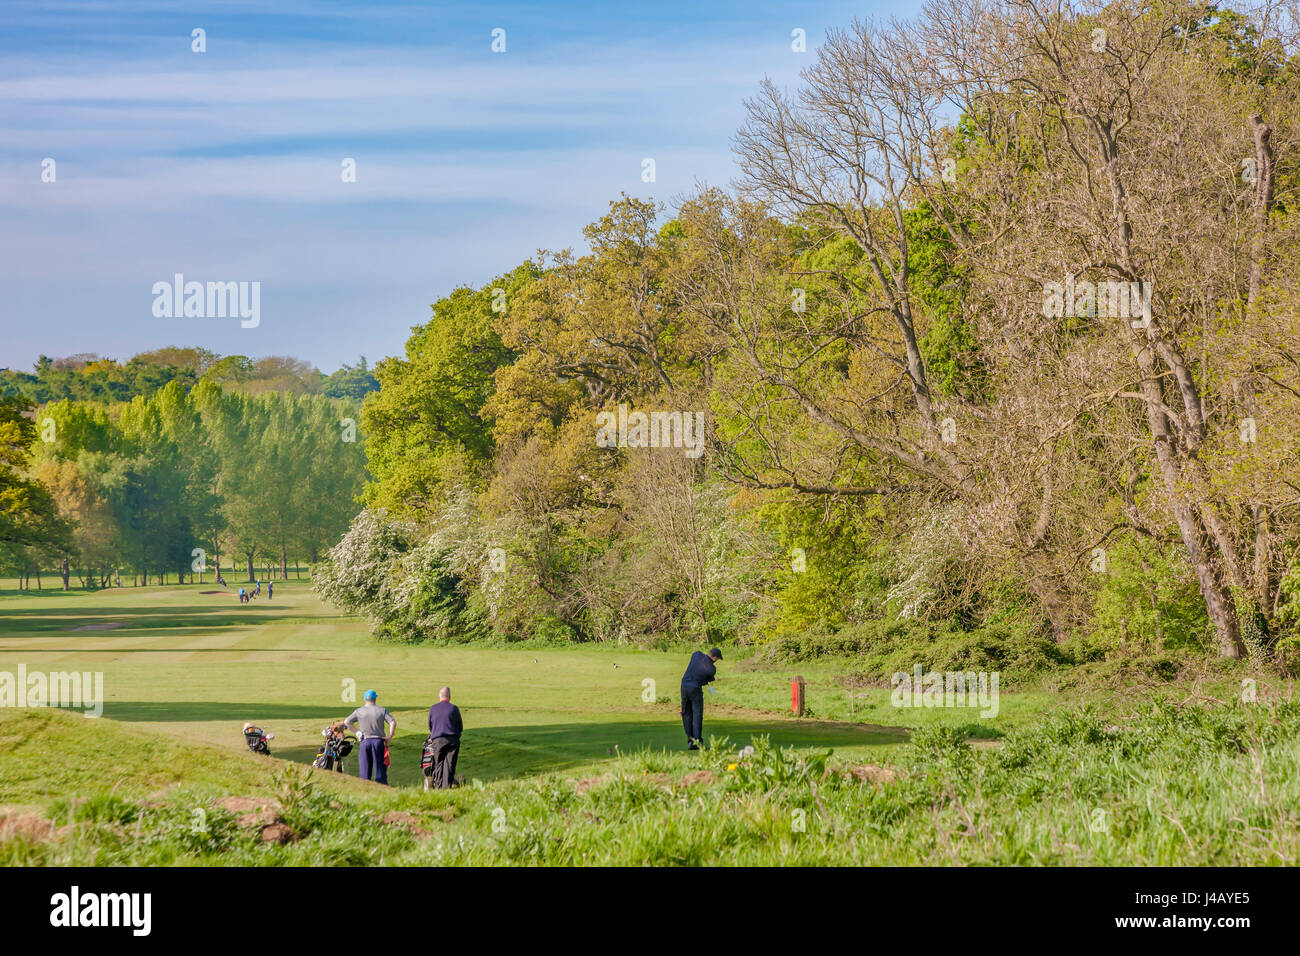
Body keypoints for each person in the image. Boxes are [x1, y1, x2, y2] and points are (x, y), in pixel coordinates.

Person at [344, 689, 397, 784]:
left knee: (365, 771)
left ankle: (365, 790)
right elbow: (392, 722)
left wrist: (357, 733)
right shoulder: (382, 710)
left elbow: (347, 722)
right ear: (375, 699)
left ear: (365, 699)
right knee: (380, 770)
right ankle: (381, 789)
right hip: (378, 742)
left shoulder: (359, 711)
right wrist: (389, 737)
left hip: (364, 741)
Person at [680, 647, 722, 750]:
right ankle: (697, 742)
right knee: (697, 716)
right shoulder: (712, 669)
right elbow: (709, 678)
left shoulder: (696, 654)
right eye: (717, 659)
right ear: (715, 657)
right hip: (695, 689)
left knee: (686, 714)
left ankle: (690, 741)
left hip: (684, 686)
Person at [424, 686, 463, 789]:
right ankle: (447, 785)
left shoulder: (433, 708)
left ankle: (439, 786)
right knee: (450, 764)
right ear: (450, 696)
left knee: (438, 763)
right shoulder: (454, 708)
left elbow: (430, 725)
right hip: (452, 740)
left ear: (439, 696)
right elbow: (460, 726)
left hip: (438, 739)